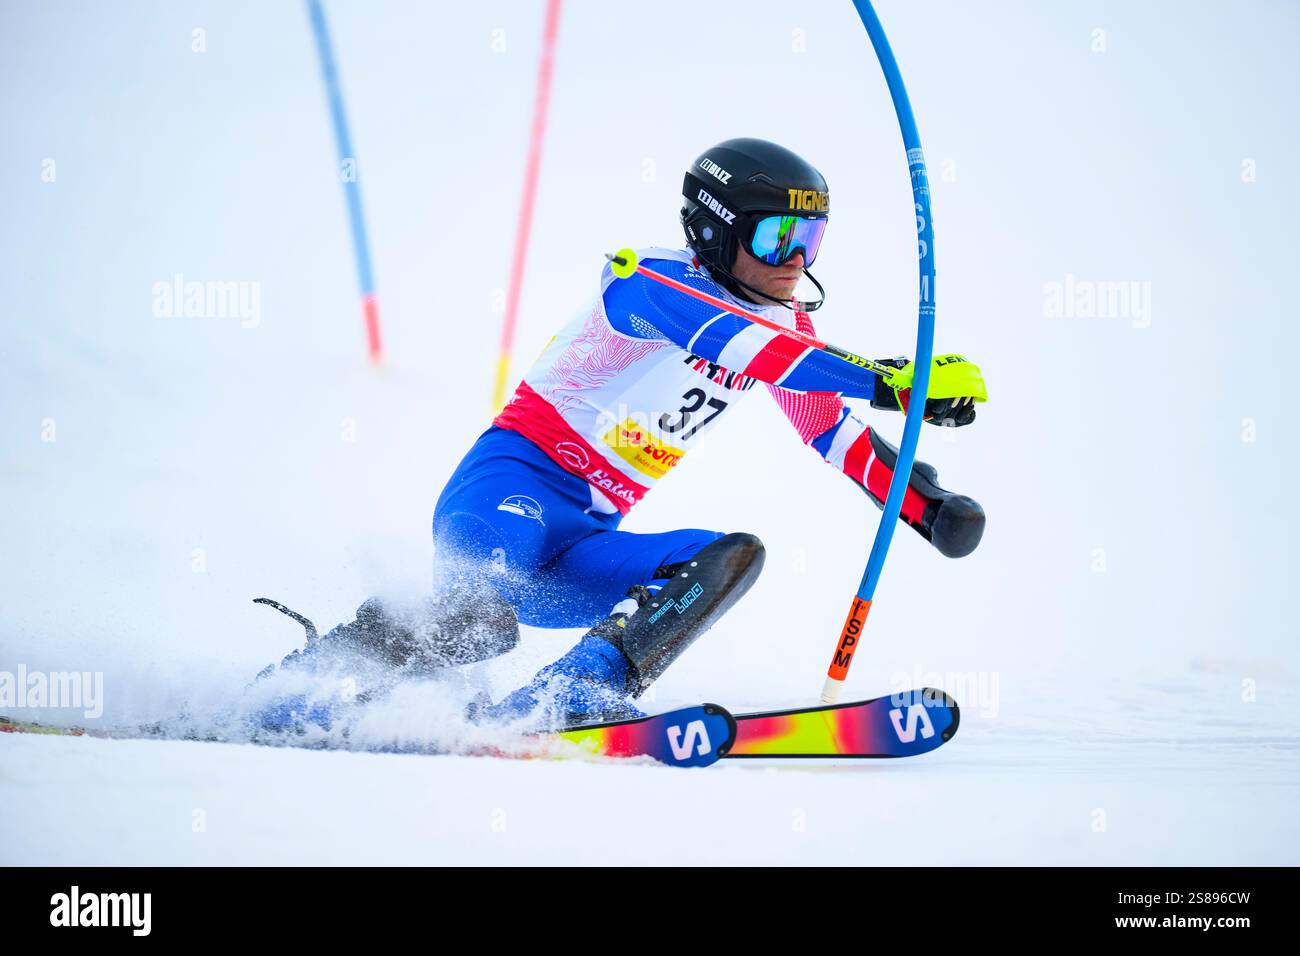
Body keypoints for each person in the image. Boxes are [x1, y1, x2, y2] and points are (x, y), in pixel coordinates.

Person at [260, 137, 988, 731]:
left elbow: (828, 425)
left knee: (730, 557)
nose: (797, 259)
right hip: (507, 497)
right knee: (479, 623)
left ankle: (566, 695)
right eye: (776, 236)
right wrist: (893, 381)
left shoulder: (790, 331)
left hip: (582, 547)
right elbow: (753, 350)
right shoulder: (653, 286)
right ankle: (300, 687)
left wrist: (929, 507)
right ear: (715, 230)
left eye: (812, 236)